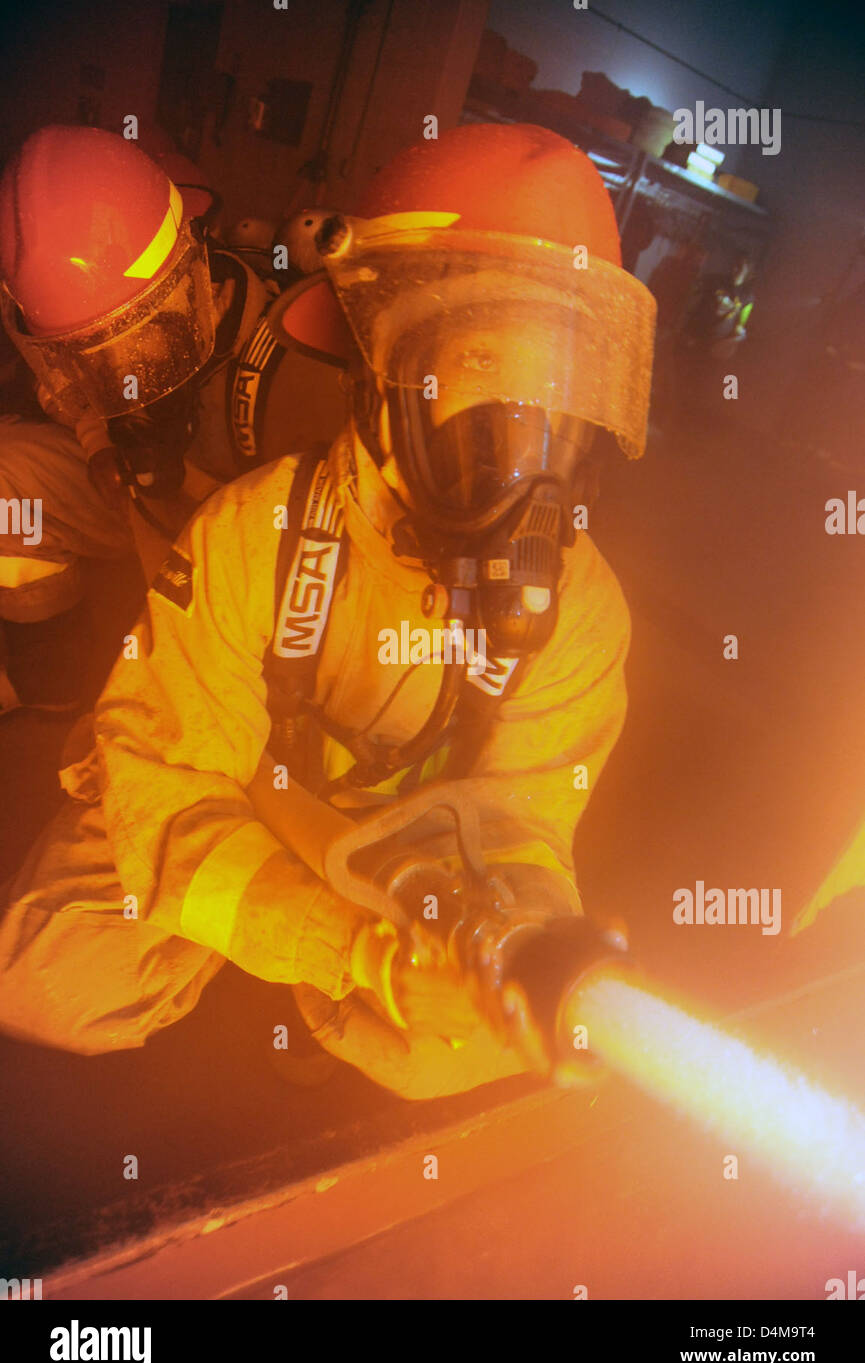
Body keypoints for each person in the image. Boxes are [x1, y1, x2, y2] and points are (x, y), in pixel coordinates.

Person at [0, 123, 656, 1100]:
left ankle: (307, 980)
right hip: (232, 770)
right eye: (474, 362)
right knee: (46, 973)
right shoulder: (249, 529)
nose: (516, 419)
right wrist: (331, 940)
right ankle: (258, 964)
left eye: (545, 373)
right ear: (377, 359)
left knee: (476, 1035)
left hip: (395, 832)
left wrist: (492, 933)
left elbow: (523, 820)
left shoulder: (584, 613)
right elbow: (162, 775)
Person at [0, 124, 346, 714]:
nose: (121, 374)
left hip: (234, 532)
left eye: (140, 336)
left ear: (195, 265)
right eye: (90, 352)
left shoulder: (291, 363)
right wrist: (98, 448)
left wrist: (189, 491)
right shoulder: (48, 323)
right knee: (11, 483)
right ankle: (56, 683)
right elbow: (73, 393)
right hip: (128, 489)